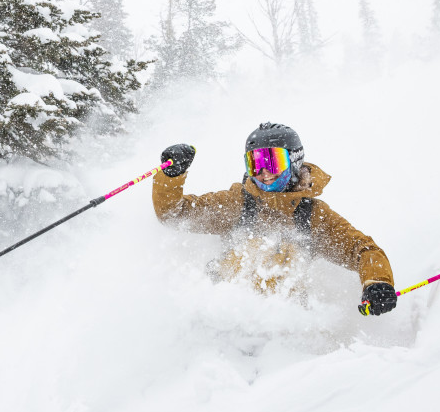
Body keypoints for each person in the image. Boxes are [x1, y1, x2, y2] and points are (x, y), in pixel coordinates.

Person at [153, 123, 398, 315]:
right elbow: (174, 214)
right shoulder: (237, 203)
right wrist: (172, 175)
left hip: (281, 326)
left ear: (294, 161)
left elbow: (362, 249)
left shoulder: (313, 217)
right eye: (255, 163)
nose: (264, 173)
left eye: (273, 162)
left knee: (288, 254)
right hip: (225, 315)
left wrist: (377, 283)